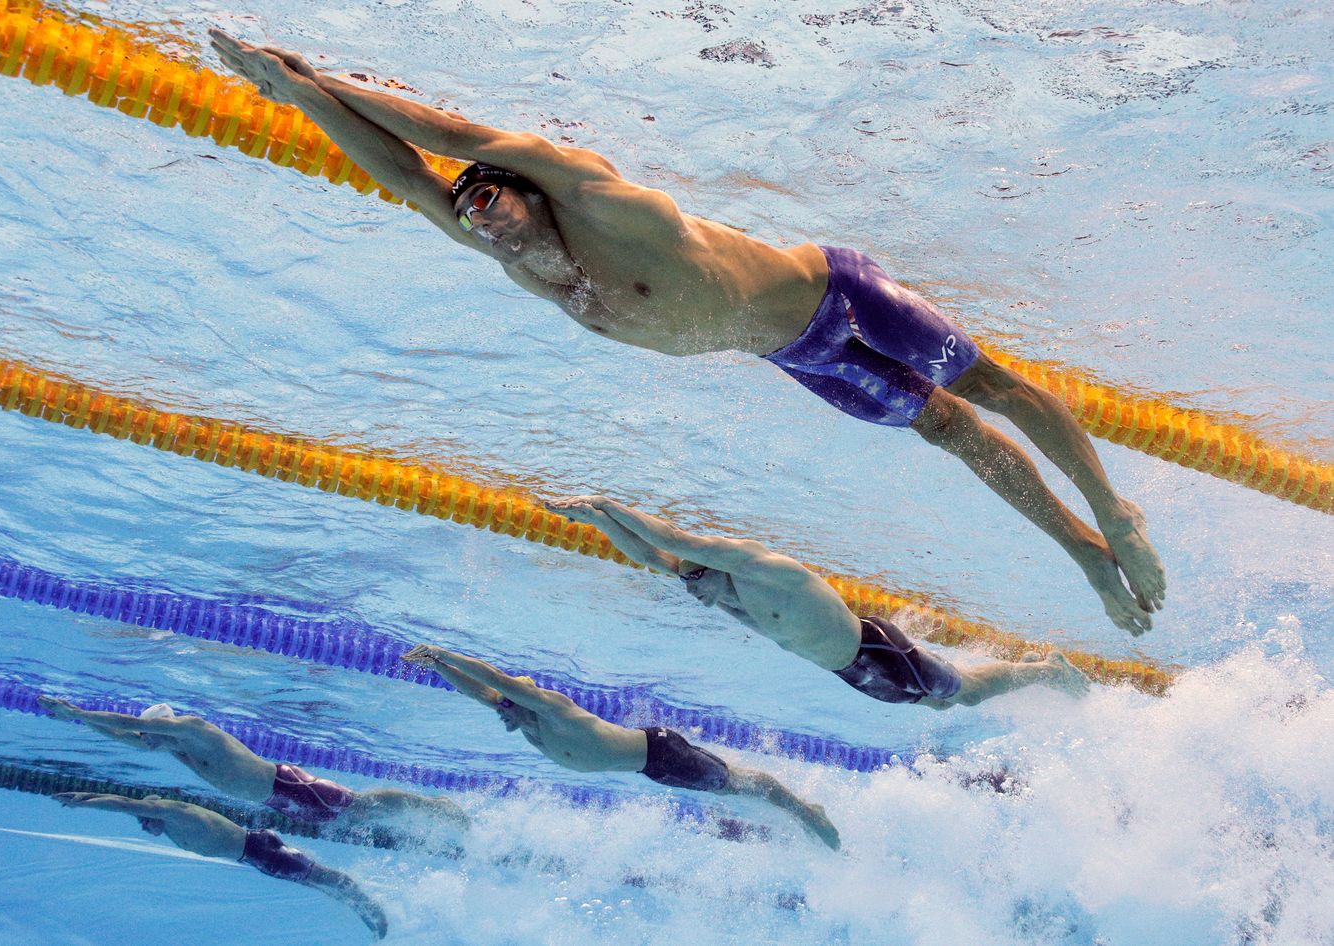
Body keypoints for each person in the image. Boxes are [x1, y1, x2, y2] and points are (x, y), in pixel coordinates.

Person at [206, 30, 1164, 636]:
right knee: (952, 438)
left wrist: (307, 73)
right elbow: (408, 176)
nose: (475, 216)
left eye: (487, 198)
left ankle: (1113, 512)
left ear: (521, 186)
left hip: (838, 295)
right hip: (797, 355)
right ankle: (1081, 554)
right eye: (467, 214)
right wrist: (299, 107)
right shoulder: (524, 263)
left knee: (990, 390)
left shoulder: (587, 191)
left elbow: (444, 138)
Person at [545, 494, 1091, 707]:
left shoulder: (754, 566)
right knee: (947, 701)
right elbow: (653, 556)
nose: (695, 590)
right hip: (847, 670)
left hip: (874, 652)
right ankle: (1041, 672)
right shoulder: (718, 584)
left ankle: (1047, 670)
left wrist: (606, 503)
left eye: (696, 580)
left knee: (963, 694)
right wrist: (595, 523)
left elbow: (673, 540)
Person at [399, 644, 840, 850]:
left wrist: (445, 652)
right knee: (729, 785)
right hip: (649, 768)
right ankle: (792, 812)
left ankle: (806, 811)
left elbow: (495, 680)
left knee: (736, 785)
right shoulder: (522, 720)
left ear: (524, 702)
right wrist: (437, 665)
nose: (499, 712)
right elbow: (483, 692)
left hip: (661, 753)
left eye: (505, 707)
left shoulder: (551, 711)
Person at [38, 696, 468, 830]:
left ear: (161, 726)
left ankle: (436, 807)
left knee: (359, 806)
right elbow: (125, 737)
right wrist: (78, 724)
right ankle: (423, 818)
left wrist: (77, 711)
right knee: (354, 821)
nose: (143, 740)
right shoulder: (172, 746)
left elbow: (126, 722)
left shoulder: (191, 729)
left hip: (287, 785)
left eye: (148, 733)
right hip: (274, 800)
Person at [52, 791, 390, 938]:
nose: (143, 827)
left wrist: (84, 802)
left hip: (261, 851)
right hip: (257, 851)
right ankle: (365, 909)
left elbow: (125, 804)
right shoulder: (171, 824)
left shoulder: (175, 813)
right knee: (316, 881)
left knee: (322, 879)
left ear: (152, 811)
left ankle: (371, 906)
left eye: (143, 820)